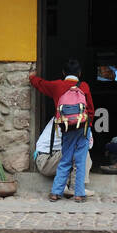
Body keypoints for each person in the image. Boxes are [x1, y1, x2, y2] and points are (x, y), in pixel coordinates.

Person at [29, 58, 94, 202]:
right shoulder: (84, 86)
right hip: (82, 127)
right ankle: (78, 193)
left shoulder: (57, 85)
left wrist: (32, 77)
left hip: (65, 126)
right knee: (80, 159)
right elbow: (90, 109)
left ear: (64, 72)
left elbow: (40, 84)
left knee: (65, 158)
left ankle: (56, 192)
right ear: (80, 73)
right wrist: (87, 126)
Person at [31, 117, 92, 196]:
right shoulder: (73, 121)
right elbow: (88, 144)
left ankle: (63, 187)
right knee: (82, 152)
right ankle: (76, 187)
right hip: (46, 161)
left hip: (45, 159)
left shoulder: (62, 116)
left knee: (73, 150)